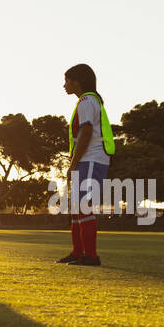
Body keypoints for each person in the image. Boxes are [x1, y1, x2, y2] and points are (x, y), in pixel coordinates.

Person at [59, 63, 114, 266]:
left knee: (84, 206)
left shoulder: (86, 101)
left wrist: (73, 164)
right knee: (77, 207)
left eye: (67, 80)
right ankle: (77, 252)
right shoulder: (87, 101)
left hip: (91, 159)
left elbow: (87, 132)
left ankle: (91, 256)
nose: (64, 85)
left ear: (77, 81)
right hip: (87, 159)